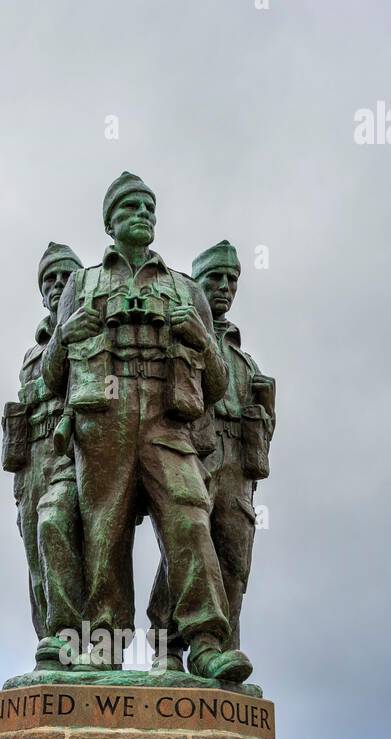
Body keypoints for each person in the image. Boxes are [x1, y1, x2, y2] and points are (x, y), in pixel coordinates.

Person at [42, 173, 252, 682]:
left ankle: (203, 643)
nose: (143, 215)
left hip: (166, 421)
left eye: (149, 208)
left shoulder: (183, 287)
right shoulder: (82, 283)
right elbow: (53, 379)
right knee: (104, 533)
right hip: (103, 423)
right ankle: (105, 645)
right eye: (132, 207)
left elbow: (219, 387)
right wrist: (65, 335)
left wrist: (198, 336)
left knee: (188, 519)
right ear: (110, 221)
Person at [149, 240, 275, 662]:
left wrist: (267, 409)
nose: (223, 287)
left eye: (231, 280)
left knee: (234, 563)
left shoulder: (246, 360)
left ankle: (222, 651)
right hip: (196, 453)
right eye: (214, 279)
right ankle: (167, 643)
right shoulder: (179, 333)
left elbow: (266, 428)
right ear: (197, 286)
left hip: (238, 466)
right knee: (187, 543)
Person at [2, 242, 84, 667]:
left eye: (63, 277)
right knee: (37, 561)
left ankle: (74, 638)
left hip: (71, 449)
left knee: (59, 531)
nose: (56, 286)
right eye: (48, 279)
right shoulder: (33, 351)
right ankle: (52, 645)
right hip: (31, 457)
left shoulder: (88, 328)